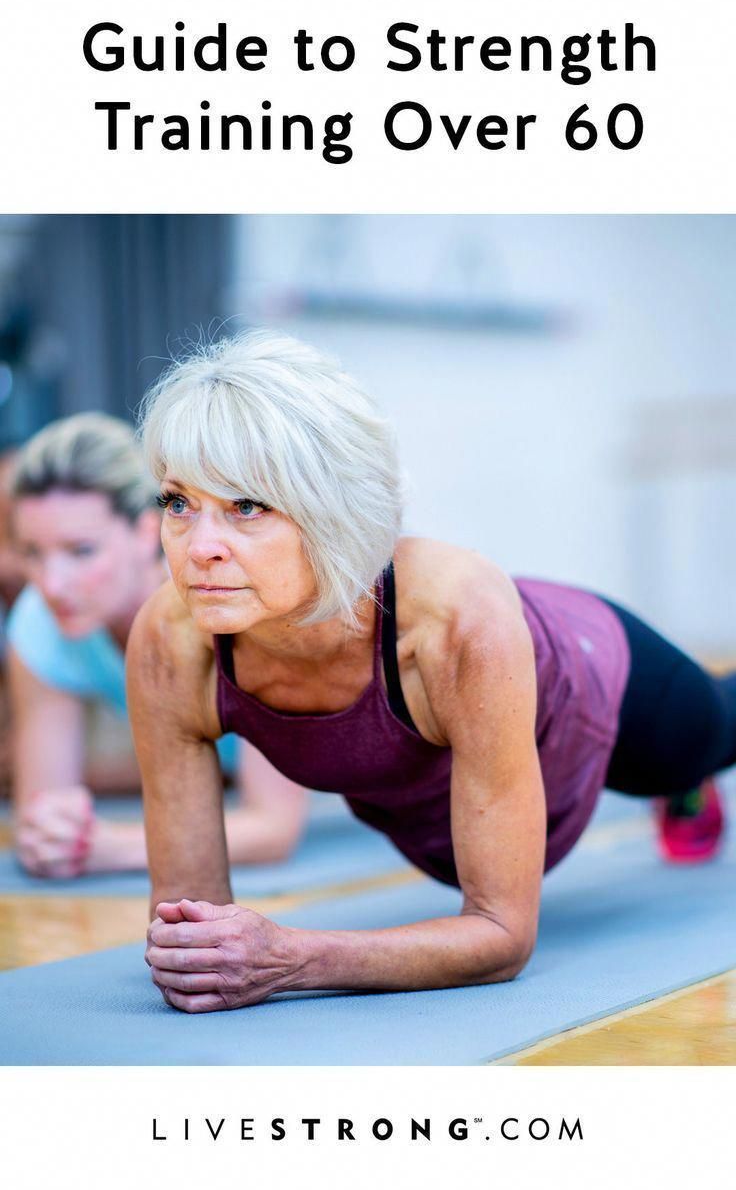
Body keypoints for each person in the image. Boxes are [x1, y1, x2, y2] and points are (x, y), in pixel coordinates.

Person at [131, 331, 735, 1013]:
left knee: (709, 735)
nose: (198, 548)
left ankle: (688, 783)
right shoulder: (172, 640)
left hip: (600, 682)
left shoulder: (456, 625)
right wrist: (210, 955)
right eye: (178, 502)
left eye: (247, 506)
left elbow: (502, 934)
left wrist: (293, 958)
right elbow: (188, 936)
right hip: (441, 775)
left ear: (335, 514)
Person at [8, 412, 307, 877]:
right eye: (33, 552)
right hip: (212, 787)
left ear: (147, 533)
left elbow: (273, 826)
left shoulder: (223, 601)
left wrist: (112, 848)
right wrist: (53, 834)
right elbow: (43, 812)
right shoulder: (39, 619)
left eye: (80, 551)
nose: (52, 583)